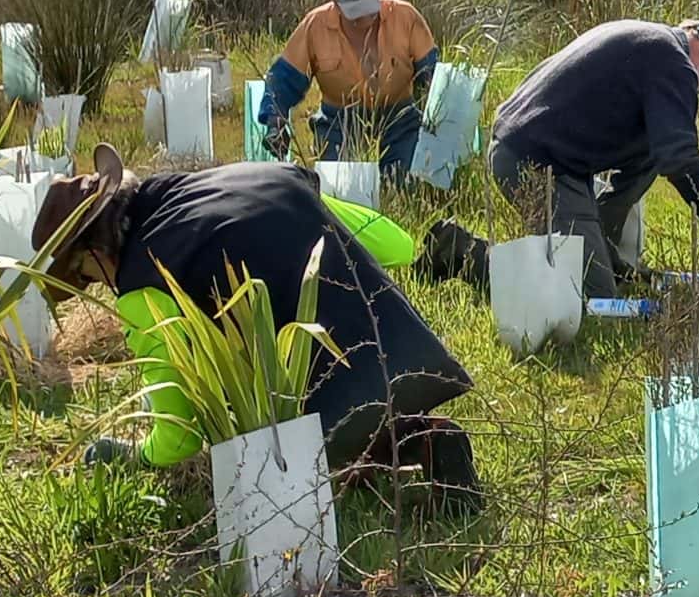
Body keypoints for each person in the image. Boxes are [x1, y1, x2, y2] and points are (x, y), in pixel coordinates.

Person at [31, 144, 481, 508]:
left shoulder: (144, 286)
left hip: (330, 395)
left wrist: (135, 456)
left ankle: (385, 451)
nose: (98, 286)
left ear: (94, 251)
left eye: (86, 275)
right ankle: (426, 438)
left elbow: (180, 434)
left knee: (275, 434)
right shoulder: (257, 175)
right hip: (406, 347)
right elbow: (396, 244)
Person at [472, 18, 699, 298]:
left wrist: (608, 255)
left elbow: (659, 154)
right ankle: (463, 255)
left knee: (607, 277)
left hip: (531, 151)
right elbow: (681, 162)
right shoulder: (673, 63)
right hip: (535, 163)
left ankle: (603, 255)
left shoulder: (651, 43)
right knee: (592, 297)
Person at [258, 0, 438, 179]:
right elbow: (283, 79)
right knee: (339, 189)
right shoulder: (315, 27)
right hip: (339, 123)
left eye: (369, 8)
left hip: (400, 119)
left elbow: (432, 76)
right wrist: (274, 124)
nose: (365, 19)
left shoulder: (405, 17)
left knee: (403, 182)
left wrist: (435, 122)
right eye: (356, 13)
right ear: (336, 5)